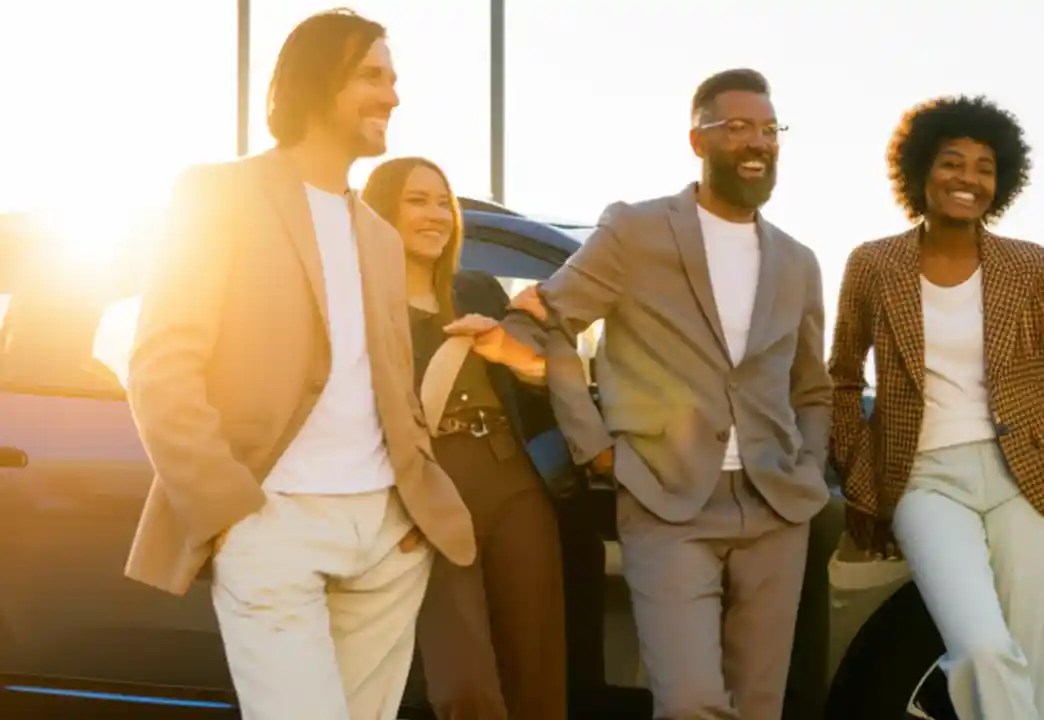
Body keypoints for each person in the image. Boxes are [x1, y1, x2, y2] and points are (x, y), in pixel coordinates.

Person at [123, 11, 475, 720]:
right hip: (272, 524)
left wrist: (410, 510)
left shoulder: (377, 234)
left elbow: (392, 385)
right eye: (373, 76)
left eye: (394, 78)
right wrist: (231, 512)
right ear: (318, 81)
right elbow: (161, 364)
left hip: (384, 535)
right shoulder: (217, 194)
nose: (393, 97)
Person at [506, 68, 831, 719]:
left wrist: (808, 466)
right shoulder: (637, 231)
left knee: (759, 707)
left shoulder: (799, 261)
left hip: (775, 507)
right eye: (737, 127)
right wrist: (593, 442)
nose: (757, 143)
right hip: (666, 500)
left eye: (769, 130)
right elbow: (542, 321)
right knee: (688, 703)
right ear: (697, 139)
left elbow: (813, 388)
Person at [829, 95, 1044, 720]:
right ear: (919, 169)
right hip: (925, 481)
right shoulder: (873, 264)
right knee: (980, 648)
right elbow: (840, 380)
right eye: (952, 162)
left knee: (1030, 660)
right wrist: (861, 478)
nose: (967, 179)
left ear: (1000, 183)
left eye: (984, 167)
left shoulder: (1027, 265)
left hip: (1023, 481)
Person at [362, 156, 572, 719]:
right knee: (463, 684)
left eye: (441, 201)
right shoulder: (357, 309)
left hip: (511, 478)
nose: (436, 214)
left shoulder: (478, 287)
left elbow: (544, 382)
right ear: (381, 211)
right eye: (416, 200)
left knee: (536, 670)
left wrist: (514, 352)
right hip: (427, 489)